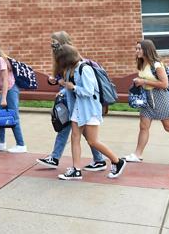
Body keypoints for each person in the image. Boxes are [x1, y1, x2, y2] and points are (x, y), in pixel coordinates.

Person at [37, 31, 107, 171]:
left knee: (81, 133)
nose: (52, 45)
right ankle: (96, 160)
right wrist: (56, 81)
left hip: (79, 102)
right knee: (72, 130)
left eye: (54, 42)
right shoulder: (61, 58)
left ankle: (108, 160)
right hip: (72, 100)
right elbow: (64, 79)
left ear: (62, 43)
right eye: (51, 42)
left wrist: (65, 87)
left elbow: (76, 83)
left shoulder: (72, 59)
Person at [54, 44, 126, 180]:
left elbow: (89, 91)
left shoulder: (85, 69)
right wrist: (64, 85)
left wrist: (73, 87)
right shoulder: (70, 70)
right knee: (75, 137)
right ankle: (76, 169)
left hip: (90, 109)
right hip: (78, 108)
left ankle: (117, 161)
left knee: (93, 141)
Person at [122, 40, 169, 165]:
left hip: (161, 98)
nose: (136, 51)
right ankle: (137, 155)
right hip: (147, 99)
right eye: (136, 49)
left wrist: (143, 82)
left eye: (139, 49)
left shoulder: (157, 65)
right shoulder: (142, 63)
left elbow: (164, 84)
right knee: (143, 126)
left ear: (147, 50)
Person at [0, 39, 27, 153]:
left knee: (14, 116)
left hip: (10, 89)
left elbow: (5, 81)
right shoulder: (0, 59)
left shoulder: (0, 61)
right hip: (8, 89)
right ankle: (0, 142)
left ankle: (21, 144)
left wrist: (3, 98)